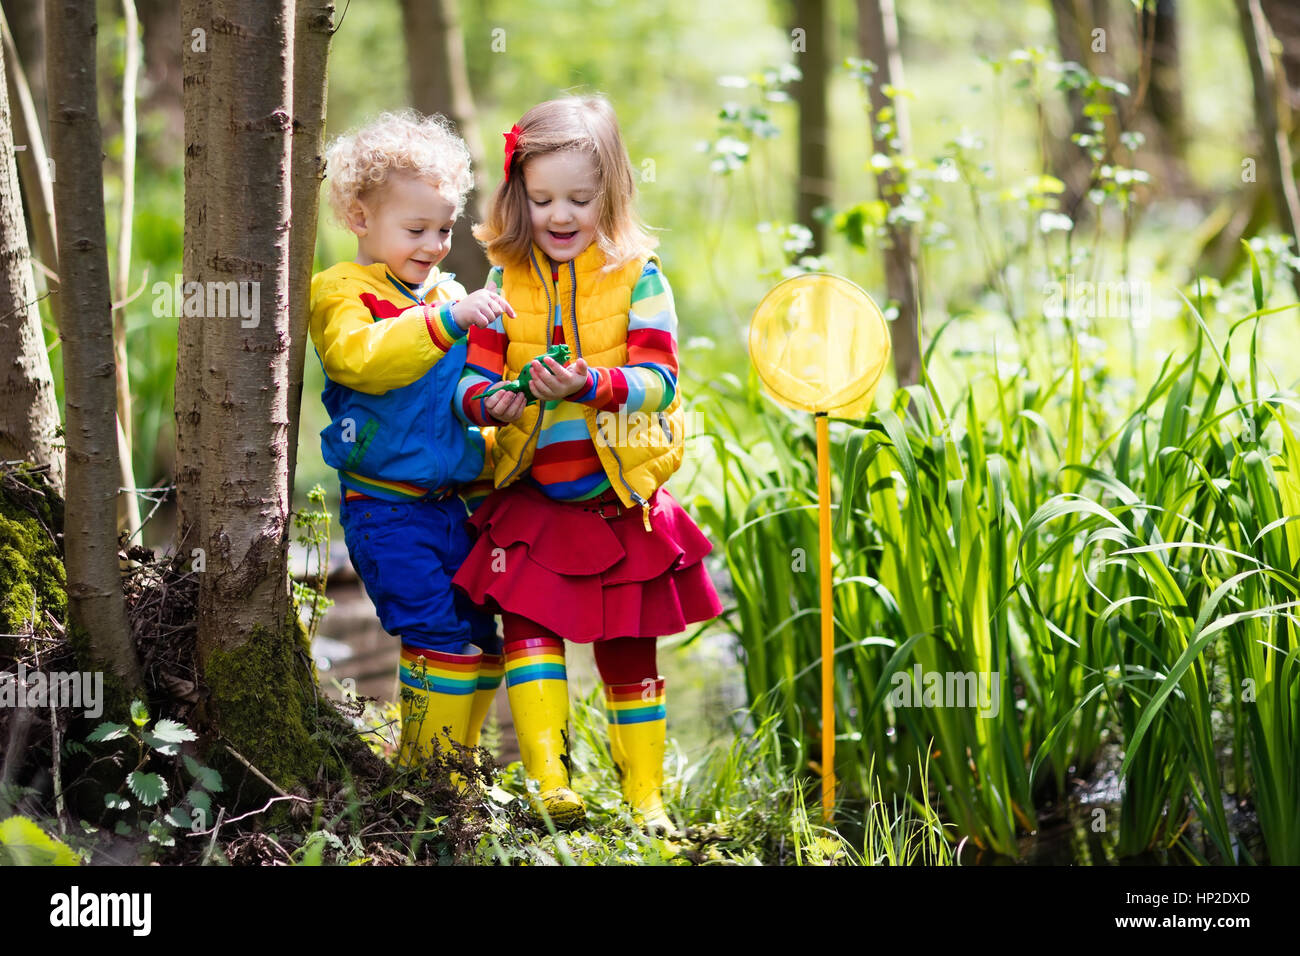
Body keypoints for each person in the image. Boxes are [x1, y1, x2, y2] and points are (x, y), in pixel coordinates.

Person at [452, 96, 723, 834]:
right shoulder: (506, 283)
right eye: (542, 200)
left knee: (629, 645)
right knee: (528, 629)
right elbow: (471, 384)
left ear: (614, 194)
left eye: (580, 198)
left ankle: (647, 799)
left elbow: (660, 381)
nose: (560, 215)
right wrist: (492, 405)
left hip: (621, 496)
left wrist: (589, 386)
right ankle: (551, 781)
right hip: (535, 498)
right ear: (517, 198)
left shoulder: (639, 275)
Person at [308, 110, 513, 772]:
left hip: (455, 504)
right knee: (436, 633)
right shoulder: (346, 292)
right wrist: (448, 318)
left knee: (482, 637)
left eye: (445, 229)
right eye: (415, 228)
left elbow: (454, 390)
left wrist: (492, 405)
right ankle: (430, 776)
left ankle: (456, 761)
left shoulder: (448, 292)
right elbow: (360, 362)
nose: (433, 244)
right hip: (387, 509)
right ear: (361, 218)